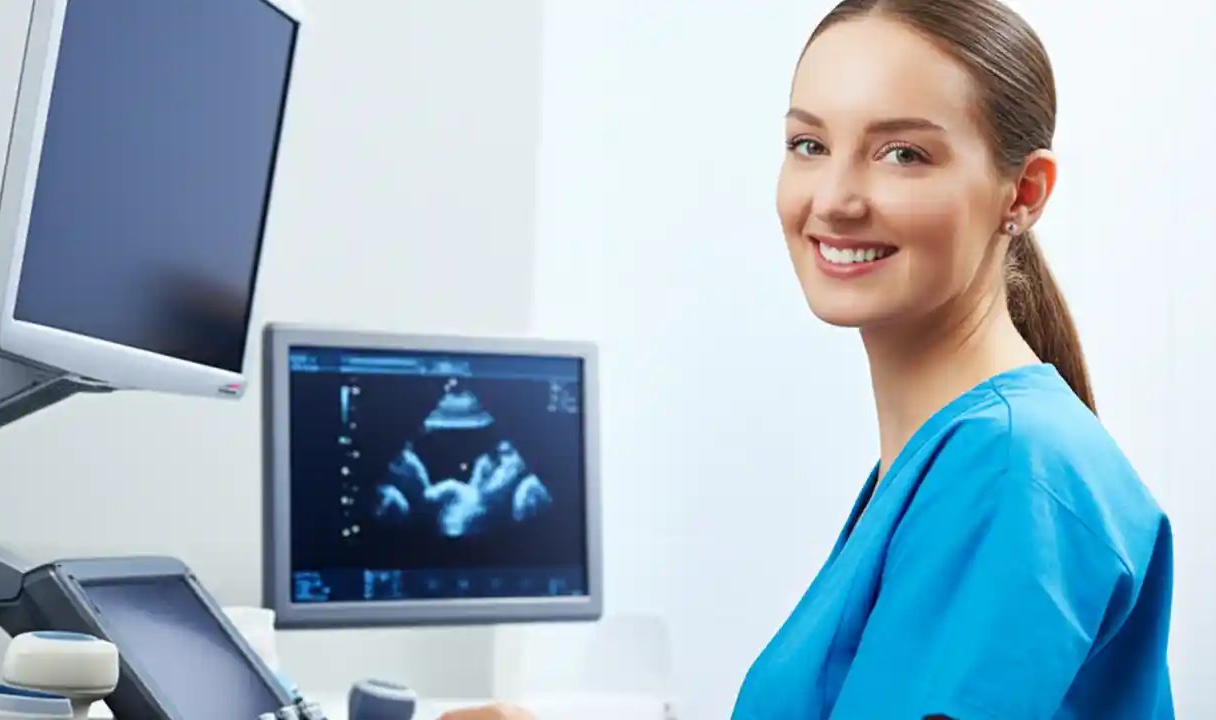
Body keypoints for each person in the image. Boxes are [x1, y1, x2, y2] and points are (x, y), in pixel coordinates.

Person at [438, 0, 1175, 718]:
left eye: (903, 154)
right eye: (809, 145)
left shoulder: (1011, 469)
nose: (835, 199)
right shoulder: (957, 458)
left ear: (1024, 192)